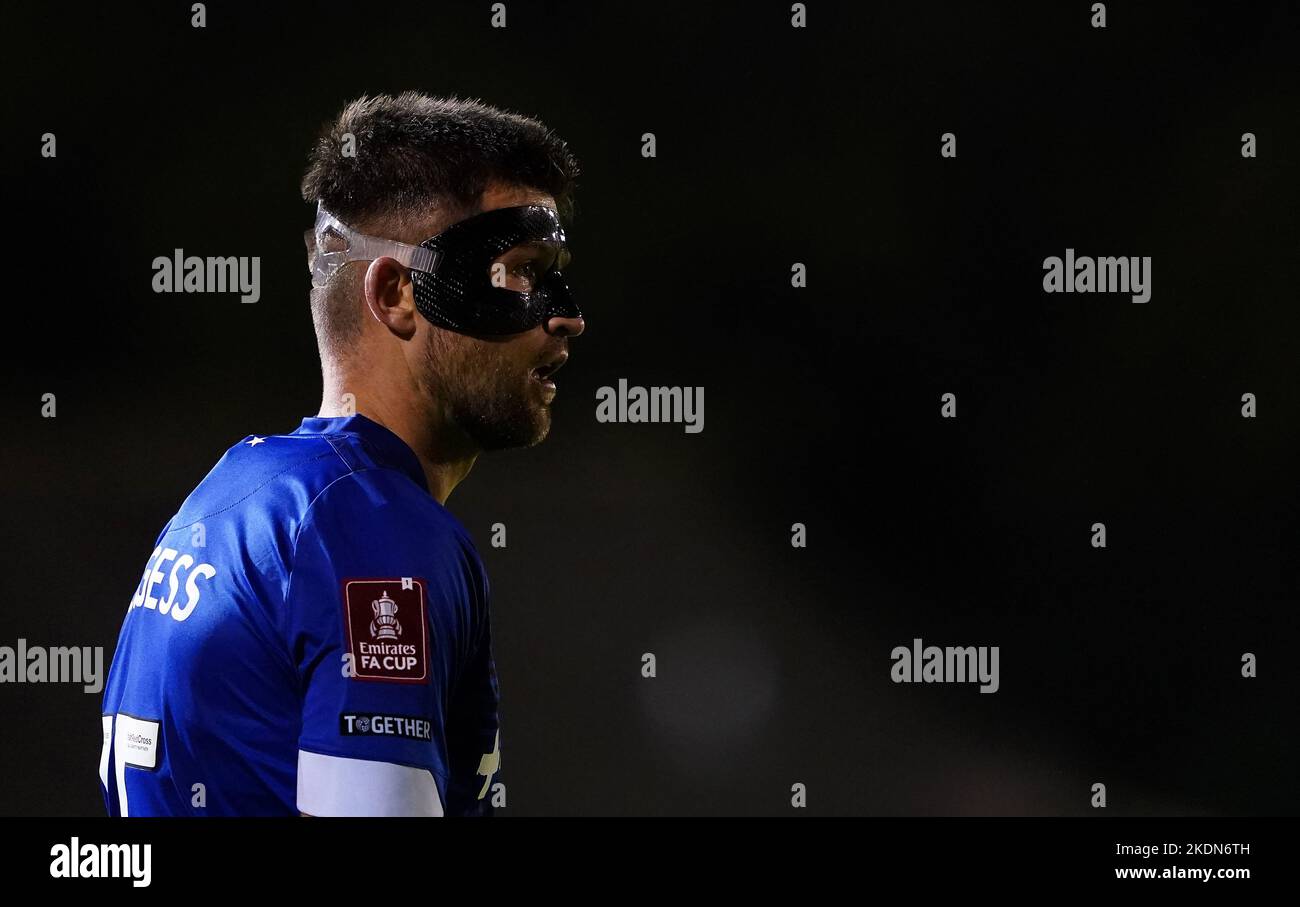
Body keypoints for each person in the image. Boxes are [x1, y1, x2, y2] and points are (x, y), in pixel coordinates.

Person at [98, 93, 585, 816]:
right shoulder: (374, 529)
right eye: (517, 270)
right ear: (398, 293)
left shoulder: (237, 492)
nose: (566, 314)